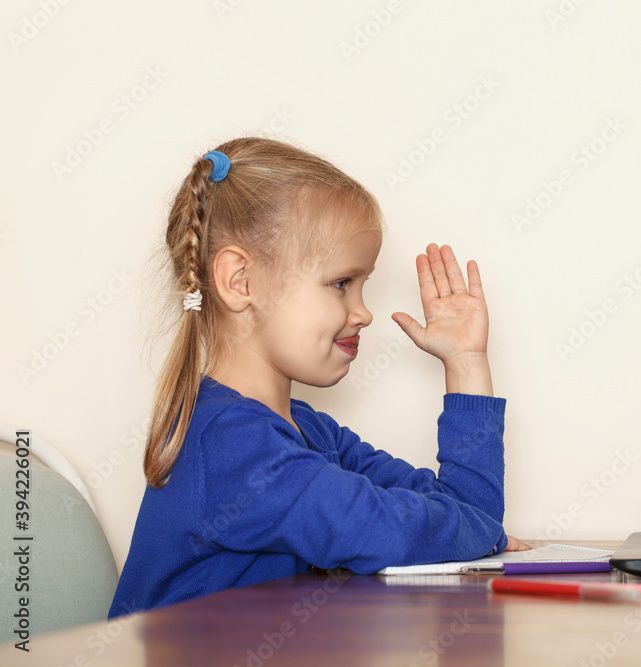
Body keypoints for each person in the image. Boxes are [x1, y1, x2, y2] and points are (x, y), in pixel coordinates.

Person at [109, 137, 527, 618]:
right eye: (341, 284)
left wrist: (466, 362)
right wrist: (476, 531)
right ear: (240, 281)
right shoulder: (227, 443)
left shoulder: (309, 432)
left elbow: (468, 516)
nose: (364, 313)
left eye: (363, 285)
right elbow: (385, 532)